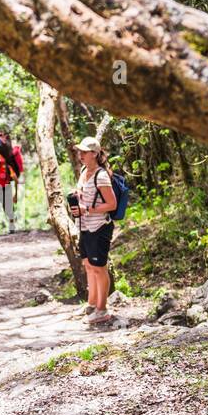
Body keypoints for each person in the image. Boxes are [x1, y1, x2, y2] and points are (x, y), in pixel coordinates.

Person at [69, 136, 118, 326]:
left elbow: (111, 204)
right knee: (89, 265)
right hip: (85, 226)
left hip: (99, 227)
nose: (80, 154)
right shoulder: (84, 171)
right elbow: (85, 194)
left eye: (84, 152)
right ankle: (91, 304)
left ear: (95, 154)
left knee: (99, 268)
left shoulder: (102, 175)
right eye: (79, 151)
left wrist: (87, 209)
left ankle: (102, 309)